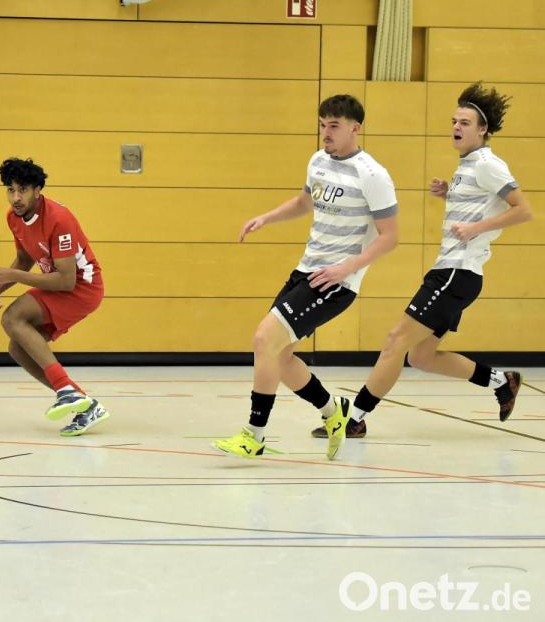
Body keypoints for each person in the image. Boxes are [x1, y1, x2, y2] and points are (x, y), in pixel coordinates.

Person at [311, 83, 532, 440]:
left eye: (465, 122)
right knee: (422, 357)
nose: (456, 128)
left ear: (483, 130)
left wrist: (477, 226)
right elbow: (480, 201)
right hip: (454, 273)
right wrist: (452, 192)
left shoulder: (489, 164)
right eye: (454, 121)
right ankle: (501, 382)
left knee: (395, 341)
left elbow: (523, 210)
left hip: (455, 273)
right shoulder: (470, 164)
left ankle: (355, 419)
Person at [213, 95, 399, 461]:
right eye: (322, 124)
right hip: (306, 270)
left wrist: (348, 268)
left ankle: (254, 436)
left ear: (355, 128)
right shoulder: (318, 161)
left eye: (334, 126)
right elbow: (304, 202)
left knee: (263, 339)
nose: (325, 133)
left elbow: (390, 237)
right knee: (280, 358)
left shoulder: (373, 175)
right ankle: (334, 413)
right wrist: (266, 217)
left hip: (335, 282)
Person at [0, 157, 109, 437]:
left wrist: (13, 277)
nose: (15, 197)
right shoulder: (13, 217)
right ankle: (84, 404)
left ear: (38, 190)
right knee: (17, 348)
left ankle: (66, 391)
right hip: (59, 285)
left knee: (13, 317)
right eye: (10, 189)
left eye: (23, 190)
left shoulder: (59, 219)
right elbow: (24, 259)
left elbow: (66, 280)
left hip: (82, 288)